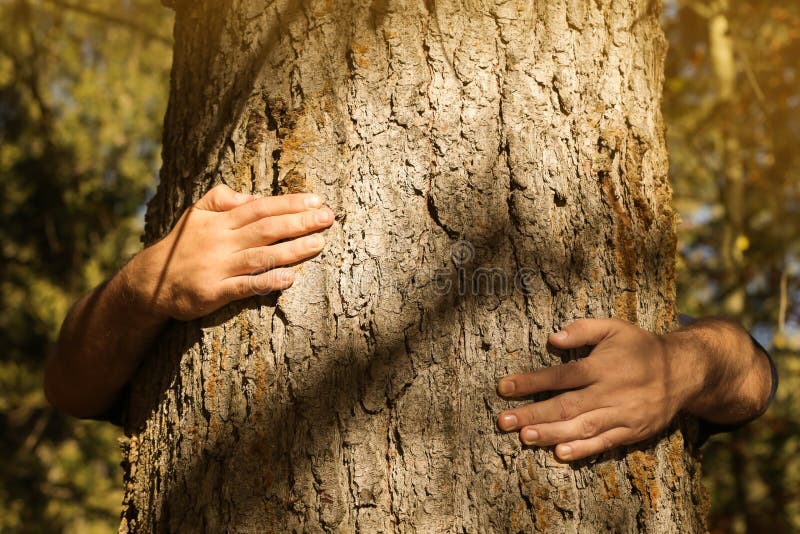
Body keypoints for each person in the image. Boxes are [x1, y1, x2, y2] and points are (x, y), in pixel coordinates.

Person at [44, 185, 777, 462]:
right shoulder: (202, 251)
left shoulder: (622, 309)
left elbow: (753, 378)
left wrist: (684, 364)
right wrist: (145, 284)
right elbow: (71, 387)